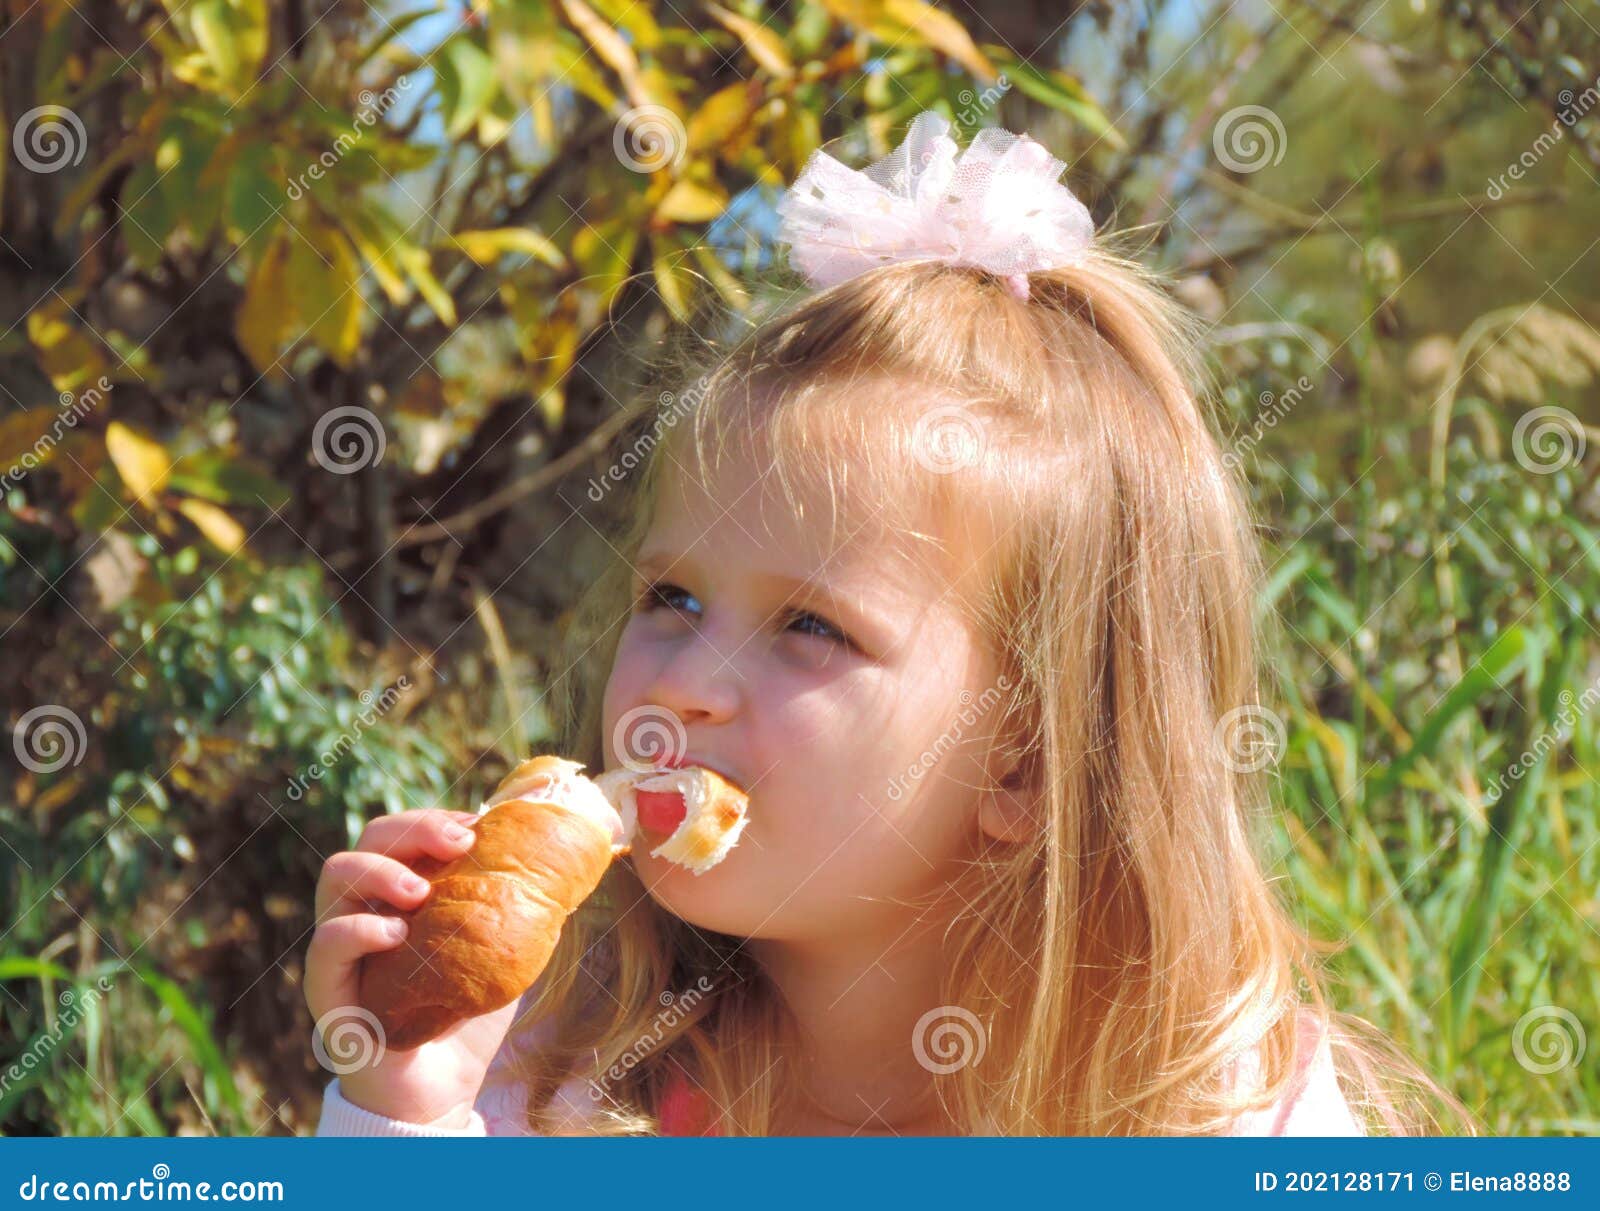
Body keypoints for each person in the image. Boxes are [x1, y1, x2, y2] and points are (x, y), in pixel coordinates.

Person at [305, 112, 1472, 1137]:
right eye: (672, 599)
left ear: (1022, 761)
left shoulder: (1210, 1122)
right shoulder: (557, 1079)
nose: (683, 684)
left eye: (812, 627)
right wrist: (405, 1103)